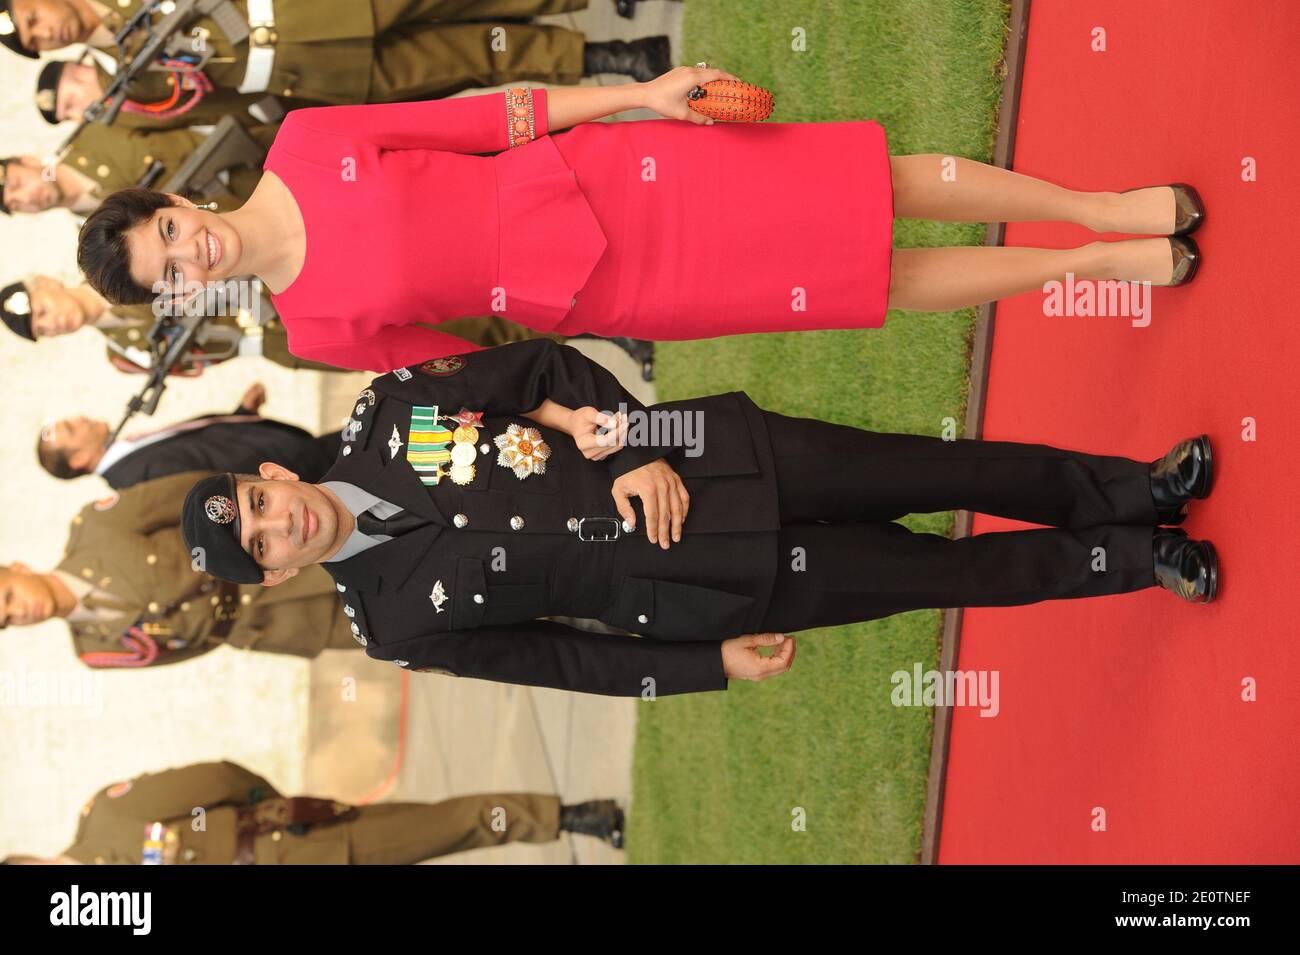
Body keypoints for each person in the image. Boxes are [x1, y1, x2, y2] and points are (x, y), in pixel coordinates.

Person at [181, 339, 1219, 698]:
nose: (283, 525)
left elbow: (543, 367)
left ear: (271, 470)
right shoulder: (391, 628)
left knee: (940, 469)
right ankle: (1140, 559)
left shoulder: (387, 407)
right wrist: (705, 665)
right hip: (696, 589)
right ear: (273, 576)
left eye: (263, 503)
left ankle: (1139, 487)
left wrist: (632, 446)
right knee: (946, 578)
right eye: (265, 543)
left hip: (708, 460)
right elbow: (553, 663)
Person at [76, 69, 1205, 373]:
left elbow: (489, 116)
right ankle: (1101, 262)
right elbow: (480, 376)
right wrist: (575, 425)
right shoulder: (311, 334)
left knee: (876, 179)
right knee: (878, 282)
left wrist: (637, 97)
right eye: (167, 269)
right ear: (180, 298)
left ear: (175, 201)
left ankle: (1091, 206)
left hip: (614, 177)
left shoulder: (309, 144)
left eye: (167, 230)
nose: (189, 250)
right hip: (616, 296)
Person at [1, 472, 357, 667]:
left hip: (290, 553)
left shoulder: (95, 527)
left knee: (380, 554)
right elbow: (190, 648)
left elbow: (200, 497)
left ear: (19, 568)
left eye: (9, 597)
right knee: (394, 628)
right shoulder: (93, 649)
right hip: (276, 627)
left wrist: (281, 511)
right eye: (9, 619)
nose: (20, 612)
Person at [0, 0, 672, 98]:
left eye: (31, 16)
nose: (45, 30)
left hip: (304, 3)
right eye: (33, 41)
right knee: (472, 56)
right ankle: (623, 59)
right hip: (310, 70)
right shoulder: (128, 83)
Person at [3, 760, 625, 864]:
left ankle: (569, 817)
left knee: (443, 825)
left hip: (305, 845)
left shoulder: (104, 819)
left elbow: (217, 780)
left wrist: (272, 815)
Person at [37, 382, 344, 489]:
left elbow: (200, 449)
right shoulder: (134, 479)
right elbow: (215, 472)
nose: (79, 420)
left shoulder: (129, 454)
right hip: (299, 469)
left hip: (298, 454)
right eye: (71, 429)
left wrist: (241, 413)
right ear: (78, 459)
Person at [1, 120, 274, 216]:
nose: (26, 198)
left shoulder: (95, 133)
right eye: (15, 204)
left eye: (17, 185)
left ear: (29, 161)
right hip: (248, 210)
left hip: (259, 152)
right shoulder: (94, 230)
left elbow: (193, 111)